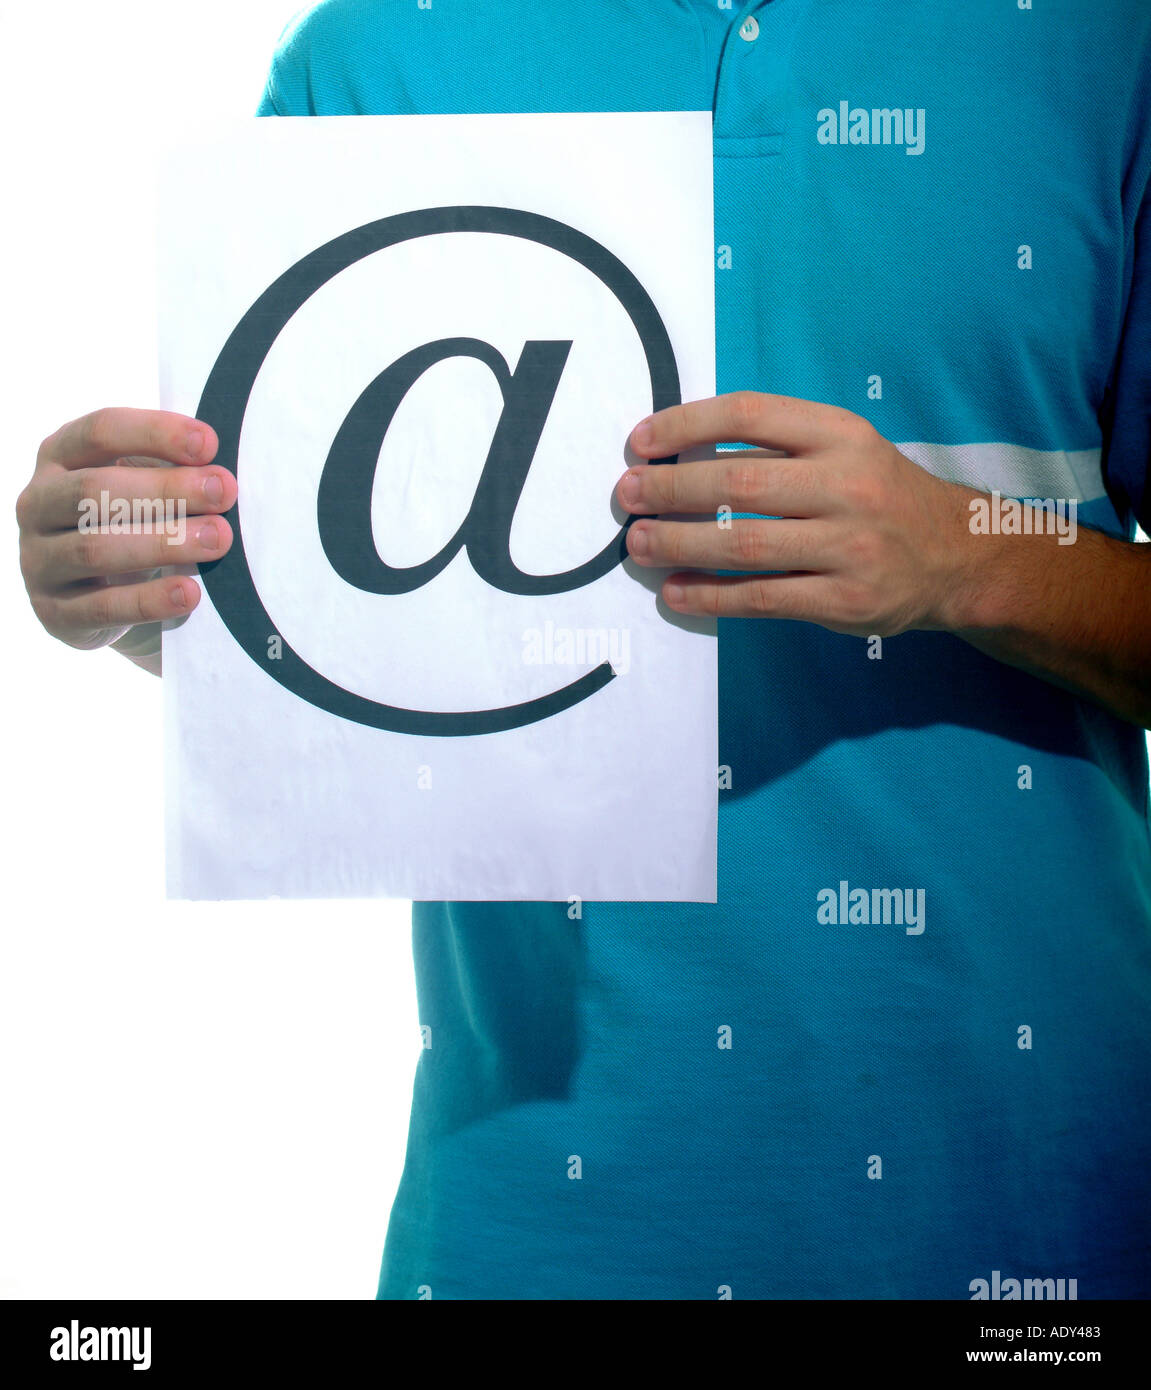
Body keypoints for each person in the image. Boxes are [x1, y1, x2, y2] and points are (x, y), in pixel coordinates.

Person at [16, 0, 1151, 1300]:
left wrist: (967, 556)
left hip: (1049, 1218)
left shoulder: (1097, 37)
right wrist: (125, 572)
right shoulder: (378, 55)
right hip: (537, 1219)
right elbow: (329, 624)